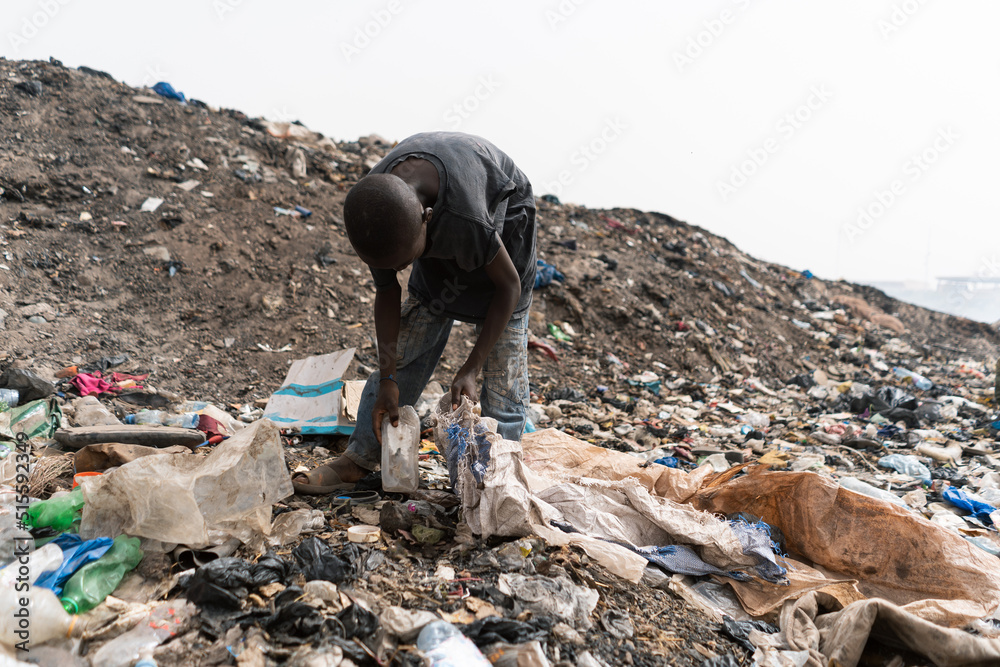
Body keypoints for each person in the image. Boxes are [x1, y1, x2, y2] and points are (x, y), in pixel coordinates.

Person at [292, 131, 536, 493]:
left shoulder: (467, 219)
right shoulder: (376, 213)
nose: (402, 267)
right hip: (434, 238)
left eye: (408, 261)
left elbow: (509, 287)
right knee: (406, 348)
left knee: (504, 380)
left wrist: (471, 366)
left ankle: (497, 484)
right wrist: (389, 379)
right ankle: (359, 459)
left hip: (505, 242)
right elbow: (387, 290)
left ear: (428, 218)